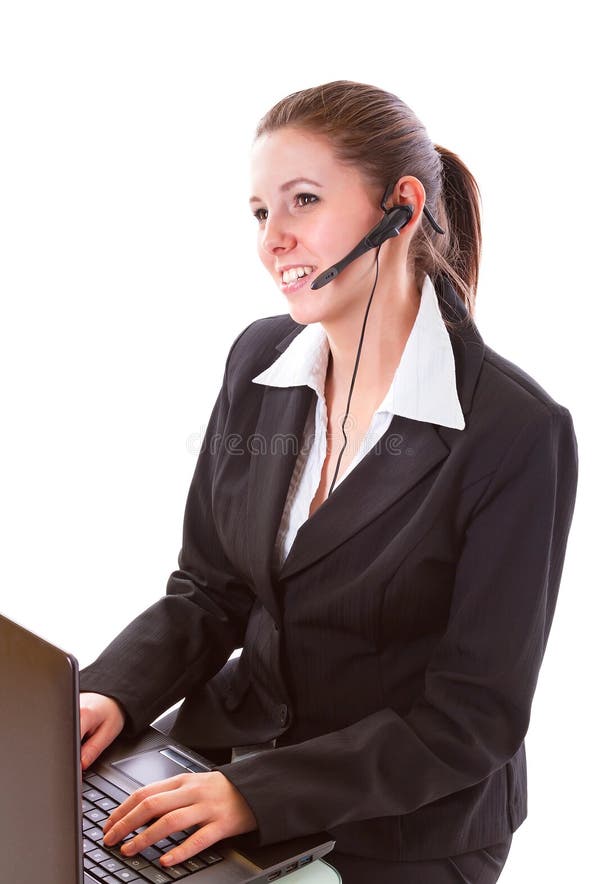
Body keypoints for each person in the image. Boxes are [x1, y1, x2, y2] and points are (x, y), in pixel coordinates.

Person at [79, 81, 579, 883]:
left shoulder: (514, 434)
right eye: (258, 212)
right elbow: (211, 588)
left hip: (402, 823)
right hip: (234, 756)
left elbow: (471, 718)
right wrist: (111, 696)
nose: (272, 240)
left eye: (302, 201)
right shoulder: (259, 364)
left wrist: (258, 794)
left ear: (402, 208)